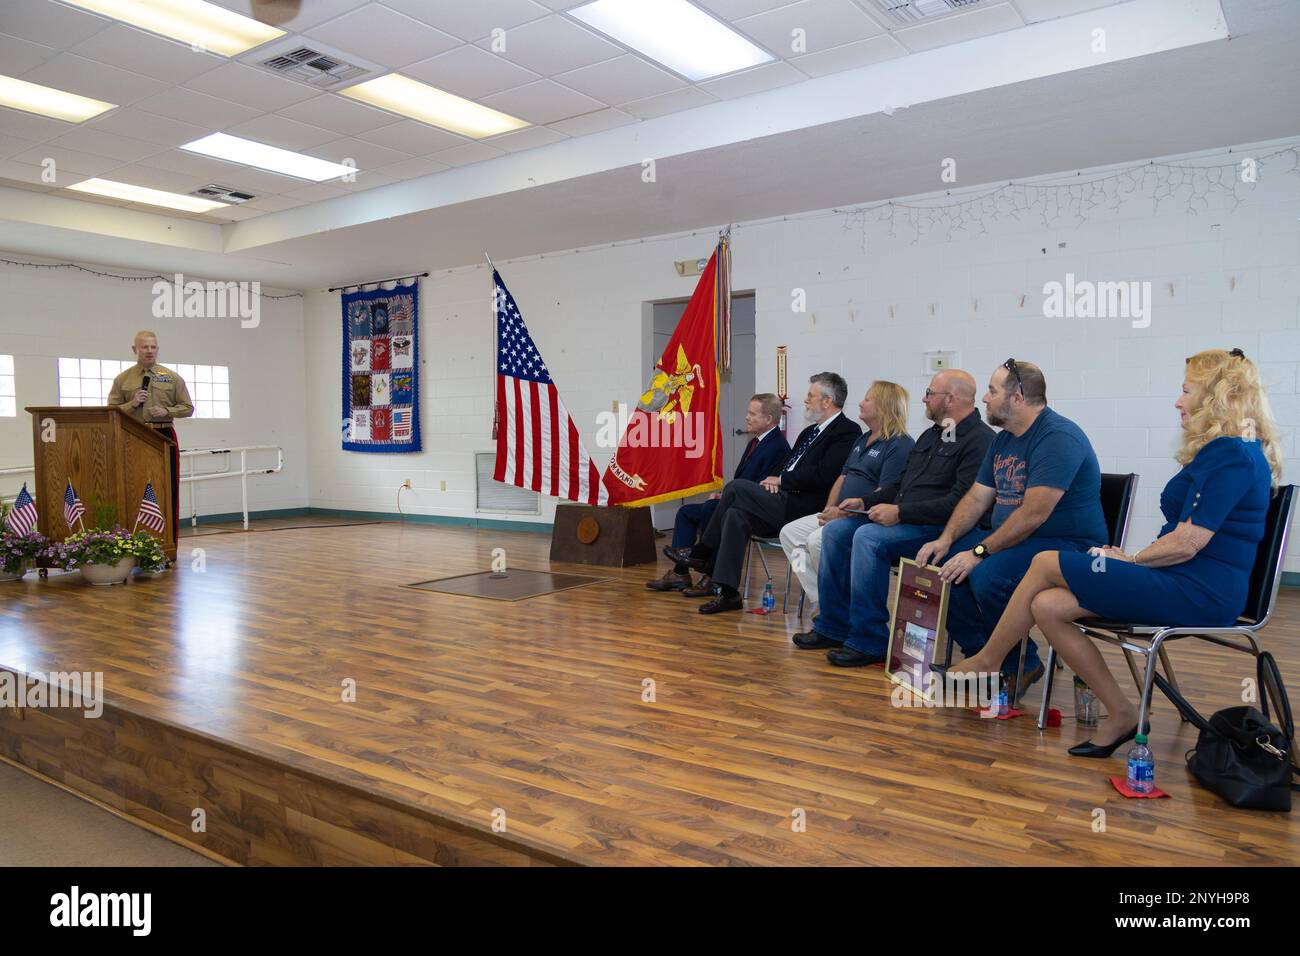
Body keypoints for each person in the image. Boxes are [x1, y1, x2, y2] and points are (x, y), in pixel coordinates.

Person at [949, 349, 1280, 756]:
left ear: (1216, 397)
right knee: (1049, 605)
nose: (1179, 400)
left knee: (1045, 561)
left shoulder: (1232, 454)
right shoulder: (1225, 451)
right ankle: (1122, 713)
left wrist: (1132, 559)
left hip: (1201, 589)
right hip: (1180, 577)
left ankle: (987, 660)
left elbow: (1189, 542)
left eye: (1186, 391)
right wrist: (1130, 557)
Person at [906, 359, 1108, 696]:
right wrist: (946, 540)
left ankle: (1019, 664)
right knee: (944, 569)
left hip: (1068, 544)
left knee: (988, 574)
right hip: (1021, 541)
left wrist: (980, 552)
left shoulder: (1057, 437)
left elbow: (1034, 515)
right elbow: (976, 498)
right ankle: (983, 657)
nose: (984, 398)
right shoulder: (1004, 440)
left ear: (1018, 397)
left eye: (992, 390)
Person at [796, 369, 995, 666]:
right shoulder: (932, 435)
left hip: (941, 529)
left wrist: (901, 512)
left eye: (929, 393)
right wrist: (865, 501)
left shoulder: (980, 440)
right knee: (836, 532)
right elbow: (900, 485)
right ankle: (833, 626)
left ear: (950, 399)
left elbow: (960, 502)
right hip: (908, 520)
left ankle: (869, 640)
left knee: (868, 538)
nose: (924, 399)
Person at [669, 372, 861, 614]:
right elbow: (787, 465)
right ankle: (728, 593)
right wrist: (773, 480)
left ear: (827, 400)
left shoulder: (847, 431)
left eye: (810, 396)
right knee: (736, 515)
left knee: (735, 487)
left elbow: (825, 474)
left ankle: (701, 552)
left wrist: (781, 480)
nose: (805, 400)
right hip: (783, 499)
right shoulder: (809, 432)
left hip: (804, 506)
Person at [778, 381, 913, 605]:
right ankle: (821, 600)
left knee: (816, 542)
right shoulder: (862, 438)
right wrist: (829, 509)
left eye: (867, 399)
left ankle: (838, 605)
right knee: (790, 535)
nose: (860, 403)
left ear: (884, 406)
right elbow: (842, 477)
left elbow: (886, 492)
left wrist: (843, 515)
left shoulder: (899, 444)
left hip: (864, 518)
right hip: (838, 513)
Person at [647, 393, 789, 592]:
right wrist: (724, 493)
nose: (747, 417)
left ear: (768, 419)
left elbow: (764, 487)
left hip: (751, 510)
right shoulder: (755, 442)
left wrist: (726, 497)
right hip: (735, 499)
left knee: (710, 508)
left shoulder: (778, 447)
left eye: (752, 414)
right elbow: (744, 478)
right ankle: (680, 573)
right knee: (685, 513)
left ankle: (711, 576)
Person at [107, 330, 193, 541]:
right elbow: (110, 411)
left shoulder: (172, 378)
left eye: (153, 347)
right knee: (134, 486)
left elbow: (188, 408)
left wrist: (168, 411)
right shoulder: (123, 379)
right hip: (134, 434)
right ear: (134, 349)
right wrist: (132, 403)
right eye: (144, 347)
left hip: (163, 433)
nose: (149, 351)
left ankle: (168, 544)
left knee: (168, 486)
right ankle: (133, 541)